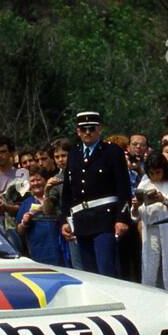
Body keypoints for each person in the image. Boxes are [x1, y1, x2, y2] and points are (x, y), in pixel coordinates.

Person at [57, 110, 132, 277]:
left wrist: (122, 218)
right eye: (83, 129)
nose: (88, 133)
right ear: (78, 131)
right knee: (90, 274)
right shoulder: (74, 154)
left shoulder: (112, 152)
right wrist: (64, 220)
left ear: (100, 129)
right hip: (81, 220)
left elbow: (123, 187)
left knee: (107, 271)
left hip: (105, 219)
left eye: (91, 128)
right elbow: (68, 191)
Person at [134, 153, 168, 294]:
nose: (155, 176)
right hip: (151, 230)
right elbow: (136, 214)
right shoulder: (145, 183)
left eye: (158, 172)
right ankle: (150, 296)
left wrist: (163, 200)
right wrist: (135, 205)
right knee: (150, 268)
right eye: (151, 173)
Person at [15, 168, 68, 267]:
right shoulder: (26, 203)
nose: (36, 183)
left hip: (60, 251)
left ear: (46, 180)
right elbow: (19, 231)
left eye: (38, 180)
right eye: (32, 181)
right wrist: (24, 223)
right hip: (38, 253)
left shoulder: (55, 200)